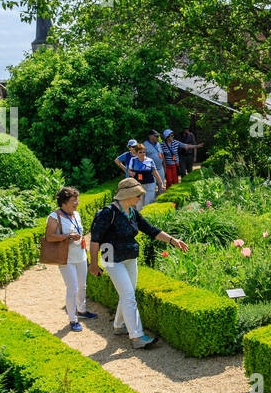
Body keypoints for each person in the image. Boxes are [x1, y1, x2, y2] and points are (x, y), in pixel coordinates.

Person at [88, 178, 187, 349]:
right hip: (111, 258)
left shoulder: (132, 212)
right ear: (128, 195)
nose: (140, 199)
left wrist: (173, 240)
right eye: (138, 195)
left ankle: (119, 326)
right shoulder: (107, 213)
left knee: (128, 293)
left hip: (129, 257)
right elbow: (95, 240)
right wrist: (93, 264)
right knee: (128, 296)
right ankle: (137, 337)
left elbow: (151, 230)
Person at [44, 186, 99, 332]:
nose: (77, 203)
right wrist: (67, 237)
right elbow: (49, 237)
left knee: (82, 286)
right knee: (72, 288)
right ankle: (73, 319)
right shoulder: (54, 217)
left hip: (80, 255)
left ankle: (82, 310)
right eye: (74, 201)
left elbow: (81, 235)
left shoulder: (77, 214)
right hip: (65, 258)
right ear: (64, 202)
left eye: (77, 200)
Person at [118, 139, 161, 208]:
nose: (142, 154)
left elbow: (155, 172)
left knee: (148, 202)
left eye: (144, 152)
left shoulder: (150, 160)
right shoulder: (131, 158)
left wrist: (161, 183)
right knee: (139, 203)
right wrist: (128, 172)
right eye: (140, 152)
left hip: (149, 183)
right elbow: (127, 168)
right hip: (138, 183)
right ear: (137, 152)